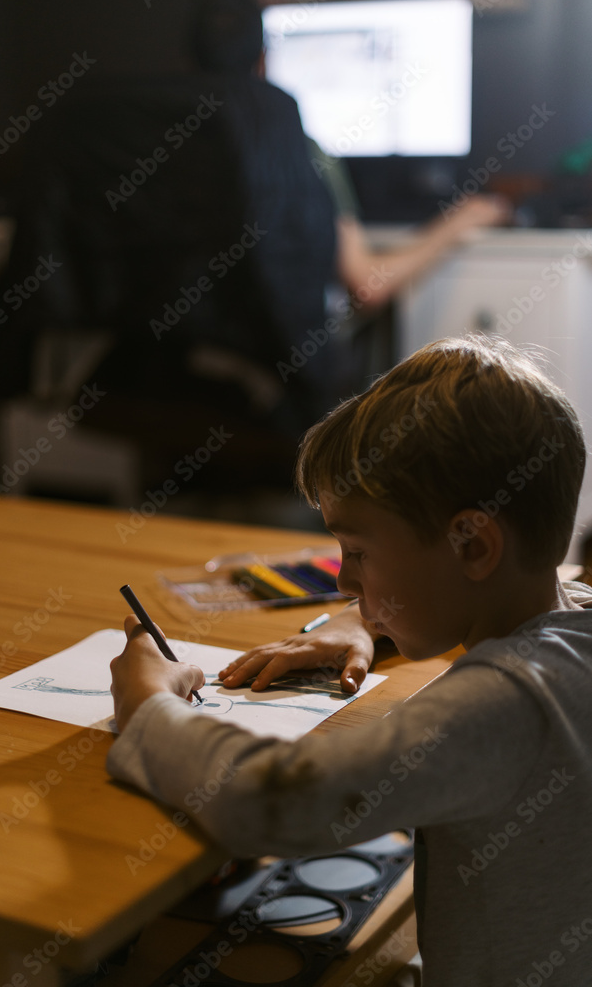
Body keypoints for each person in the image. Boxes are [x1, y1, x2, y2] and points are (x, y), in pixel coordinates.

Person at [107, 334, 592, 986]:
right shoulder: (570, 618)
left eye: (357, 552)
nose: (341, 580)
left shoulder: (504, 704)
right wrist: (362, 623)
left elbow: (276, 802)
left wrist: (149, 707)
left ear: (473, 545)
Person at [190, 0, 510, 312]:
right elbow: (368, 286)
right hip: (277, 355)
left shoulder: (176, 141)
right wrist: (458, 222)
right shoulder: (298, 146)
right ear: (263, 60)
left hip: (183, 350)